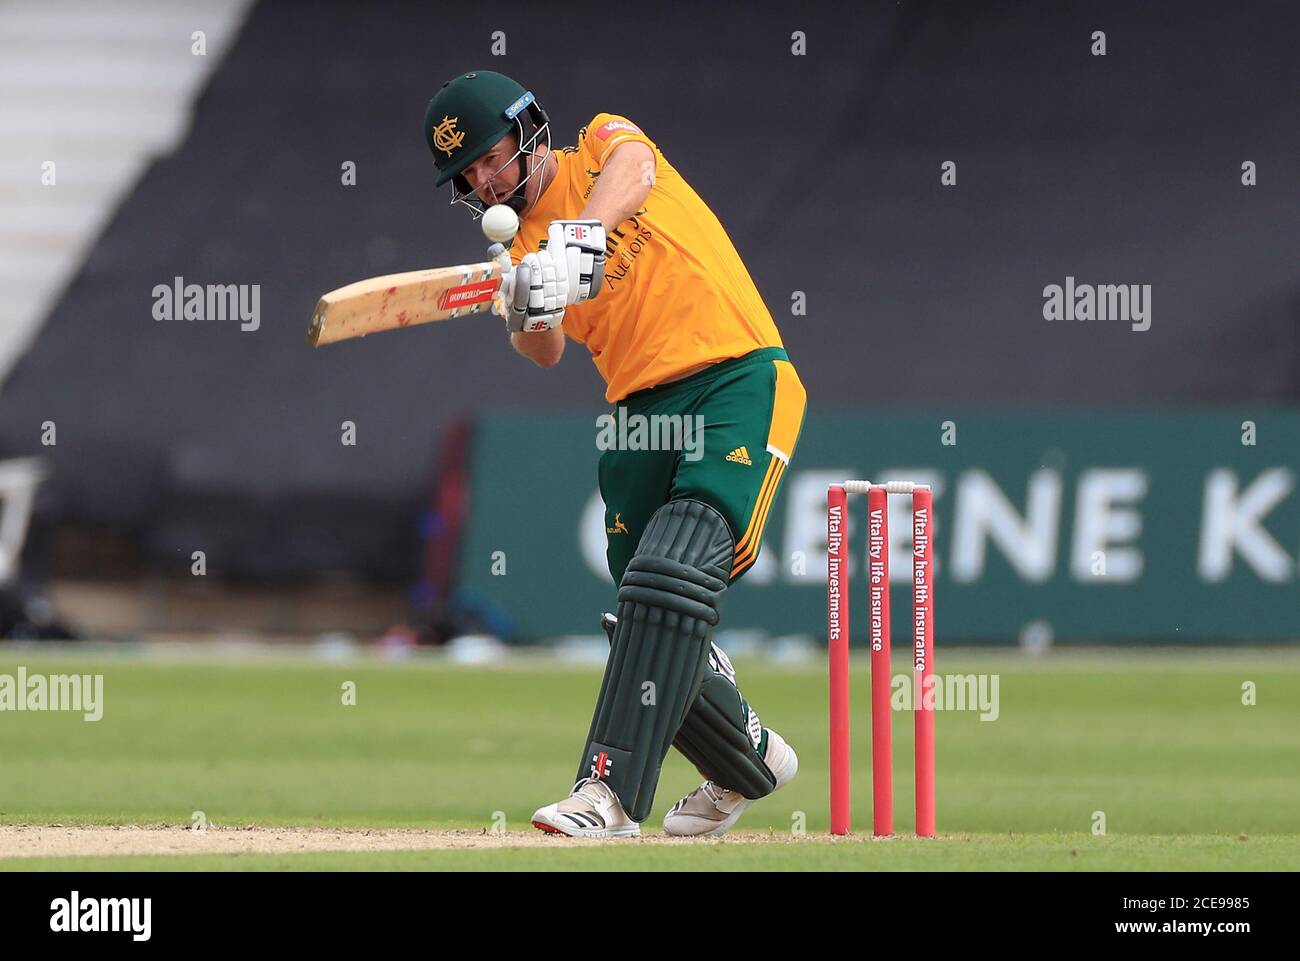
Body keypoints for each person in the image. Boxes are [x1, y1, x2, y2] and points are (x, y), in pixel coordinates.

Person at [424, 71, 807, 838]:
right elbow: (545, 352)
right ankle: (749, 760)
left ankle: (606, 796)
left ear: (529, 128)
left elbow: (638, 170)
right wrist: (527, 302)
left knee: (671, 576)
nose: (482, 179)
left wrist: (576, 240)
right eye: (466, 174)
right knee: (645, 611)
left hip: (736, 374)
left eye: (489, 157)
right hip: (638, 413)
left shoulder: (601, 144)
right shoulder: (519, 249)